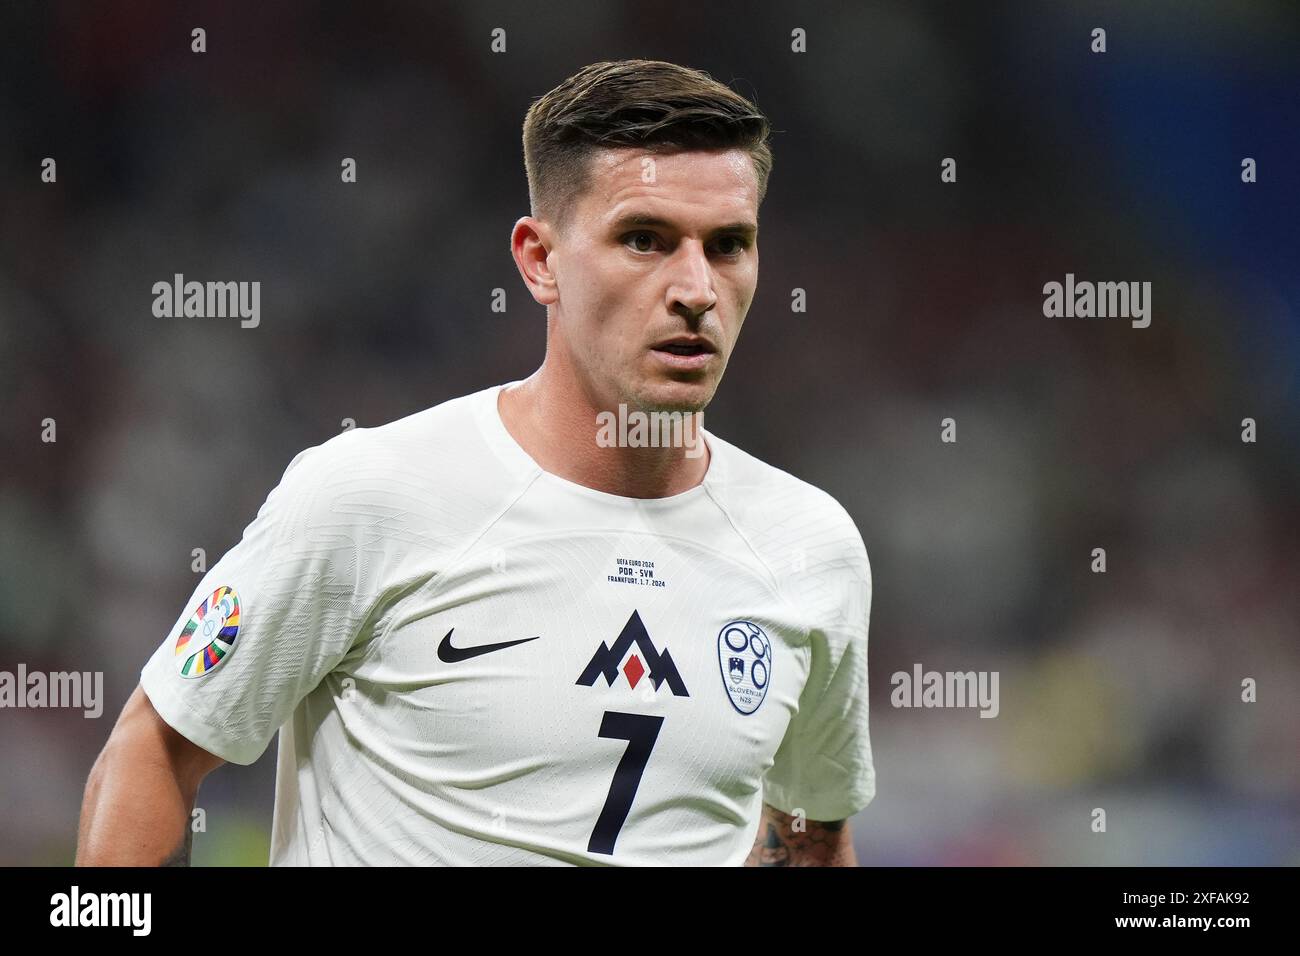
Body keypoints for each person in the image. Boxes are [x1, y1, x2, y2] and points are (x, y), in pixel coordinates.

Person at [77, 58, 875, 866]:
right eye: (645, 239)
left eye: (729, 245)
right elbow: (152, 751)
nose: (697, 288)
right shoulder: (368, 495)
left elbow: (809, 834)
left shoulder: (810, 547)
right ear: (539, 260)